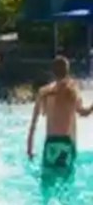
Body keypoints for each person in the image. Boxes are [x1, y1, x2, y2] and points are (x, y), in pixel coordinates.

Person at [27, 56, 93, 185]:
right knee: (66, 184)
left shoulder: (44, 92)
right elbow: (84, 113)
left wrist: (29, 149)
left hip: (51, 143)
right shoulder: (72, 91)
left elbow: (33, 124)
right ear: (67, 71)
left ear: (52, 72)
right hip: (67, 143)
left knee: (46, 184)